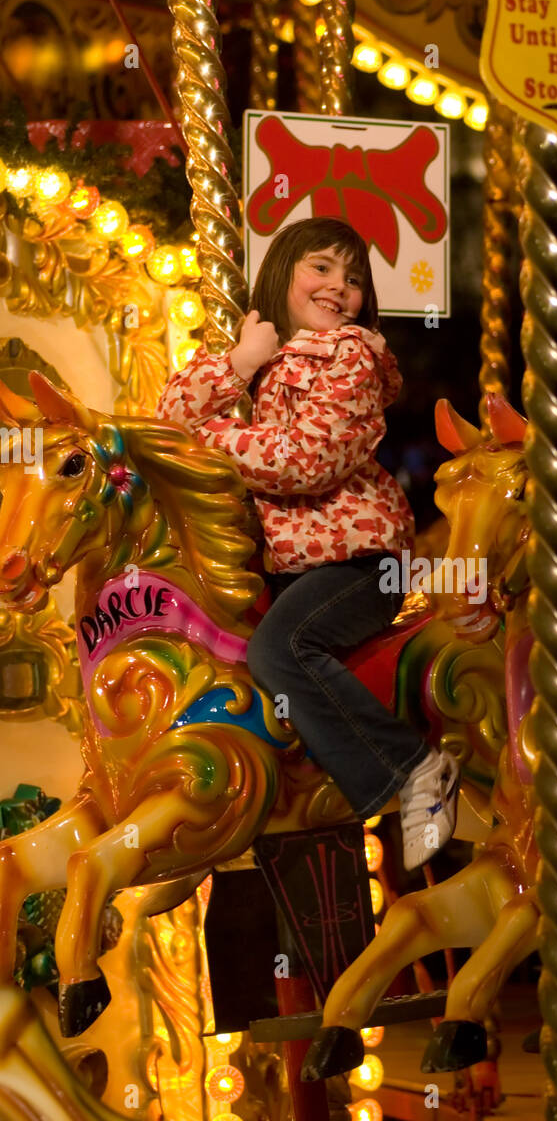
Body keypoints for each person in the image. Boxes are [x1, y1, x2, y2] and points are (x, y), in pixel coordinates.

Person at [157, 217, 458, 870]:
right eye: (321, 268)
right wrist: (240, 361)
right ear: (283, 272)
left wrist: (211, 447)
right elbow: (167, 420)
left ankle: (413, 771)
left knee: (283, 649)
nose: (339, 287)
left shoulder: (353, 355)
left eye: (353, 278)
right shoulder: (263, 359)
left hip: (360, 557)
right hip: (291, 563)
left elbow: (306, 460)